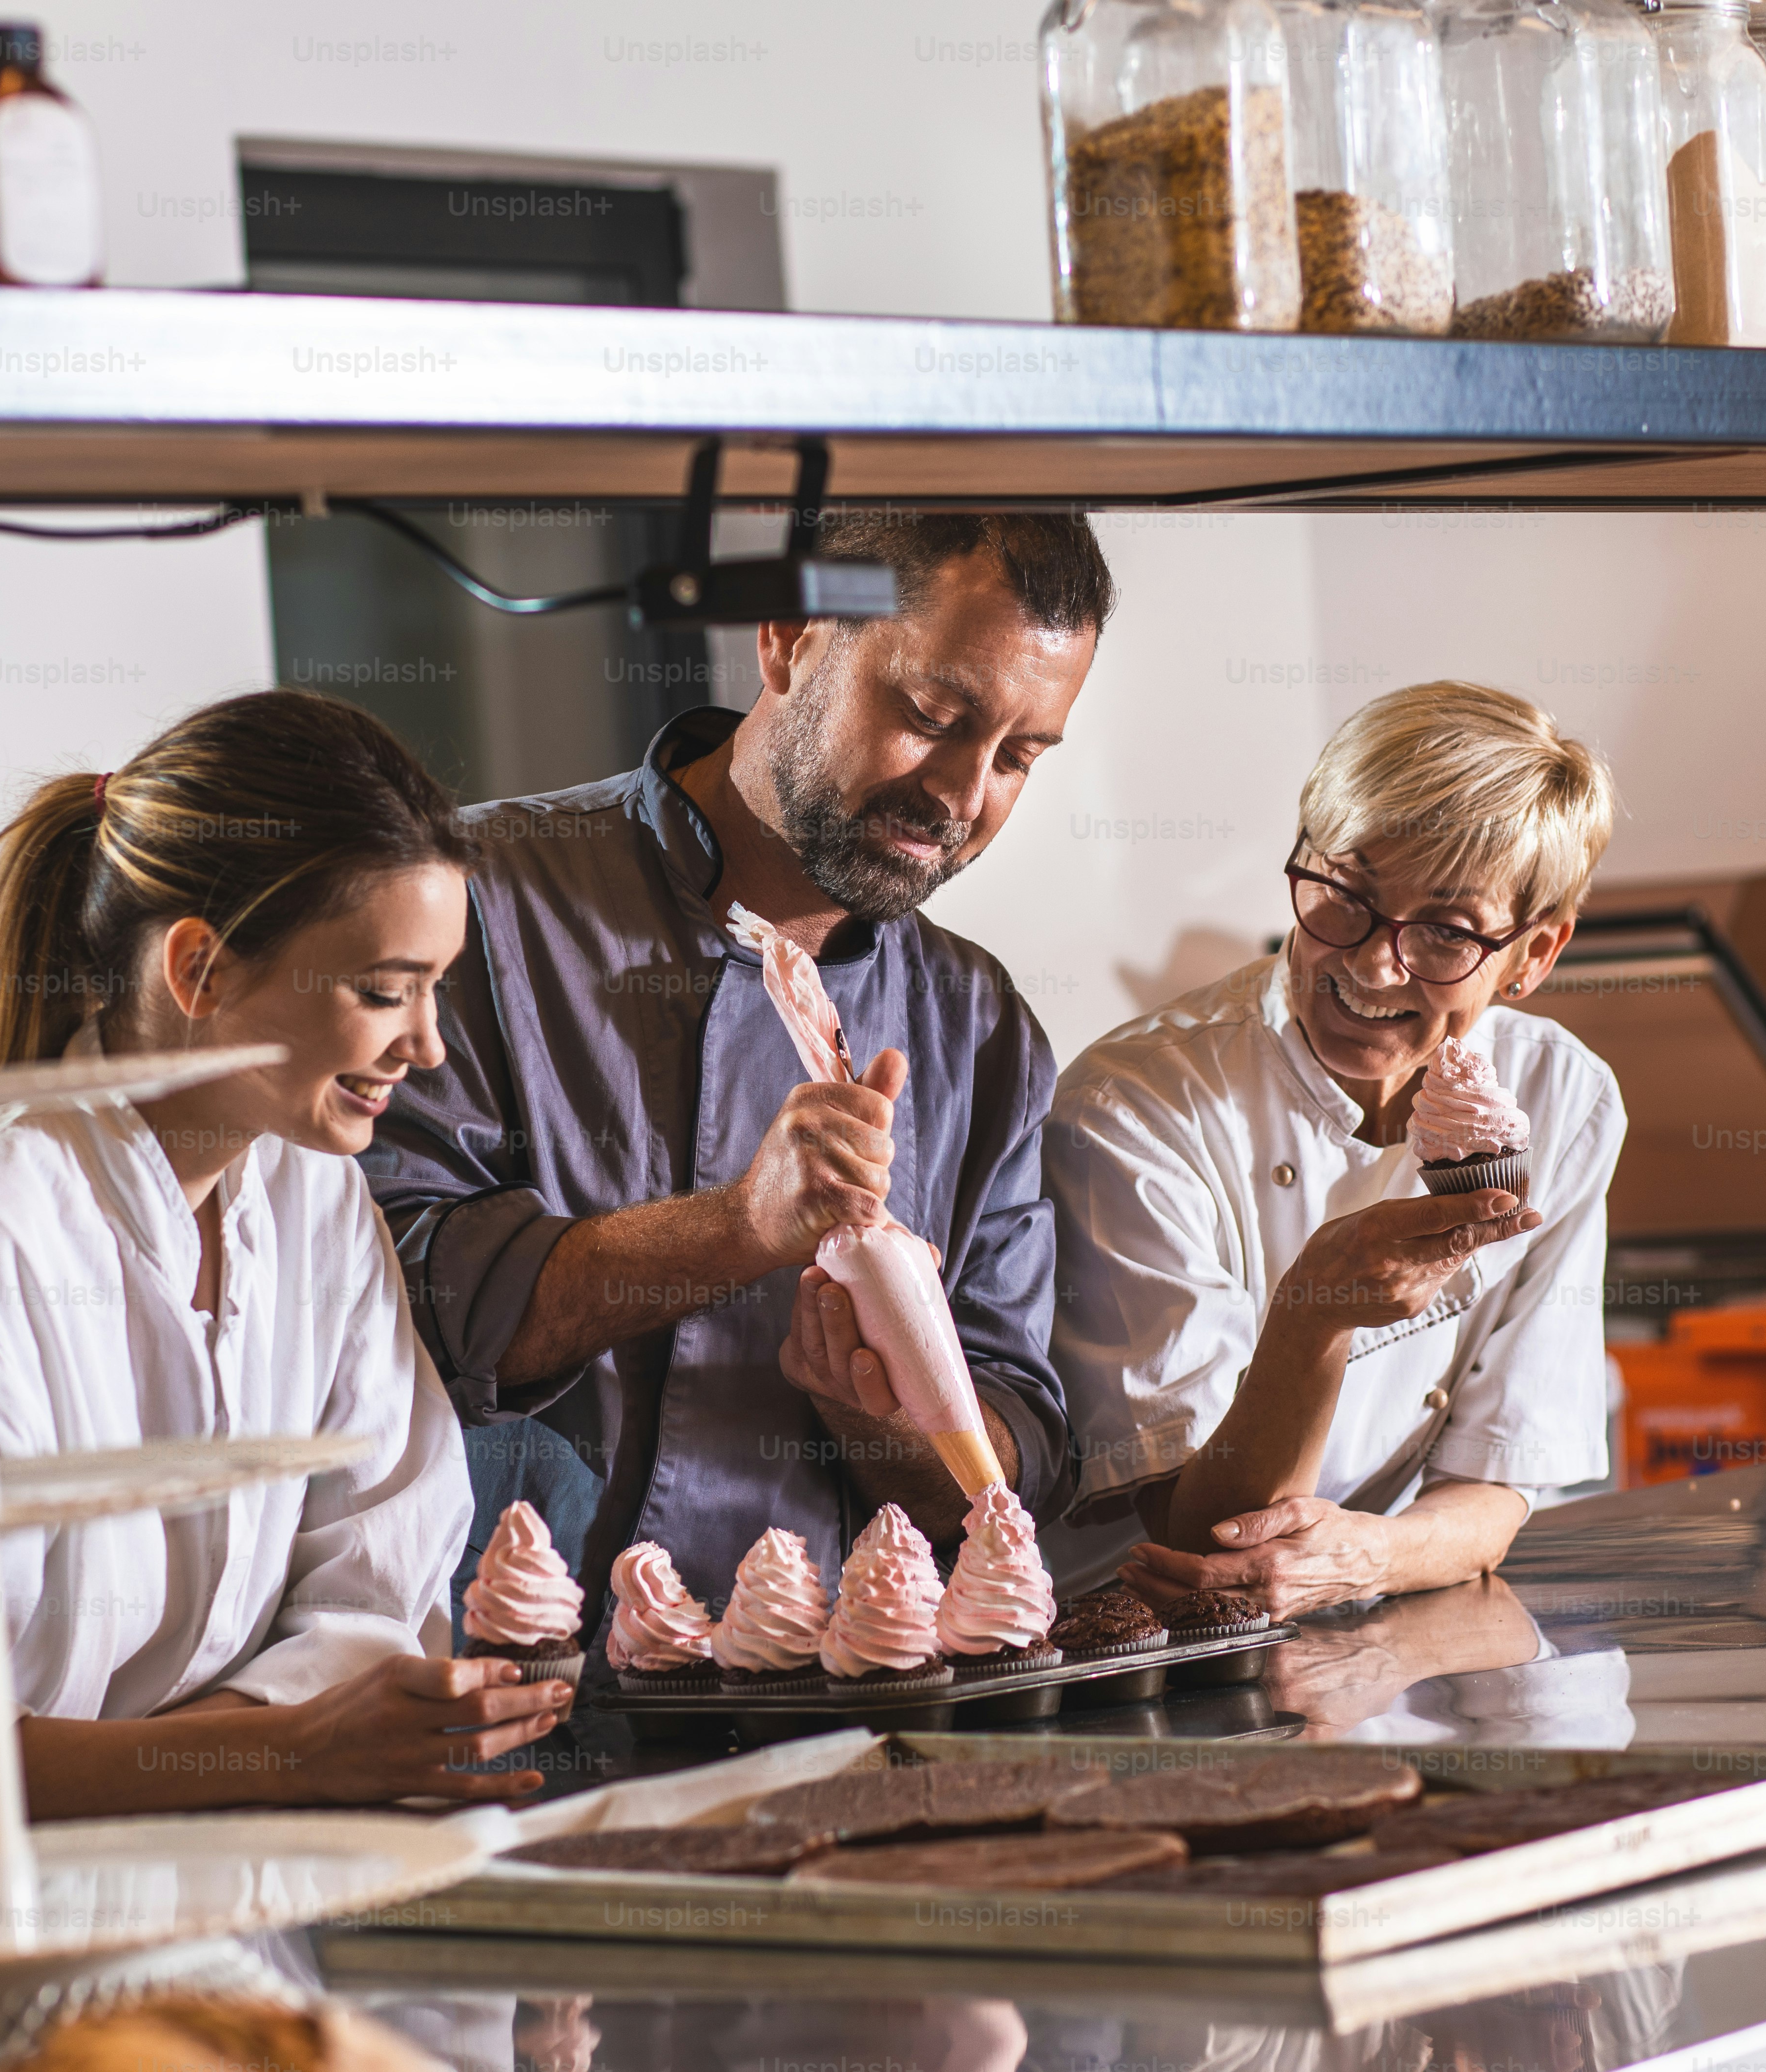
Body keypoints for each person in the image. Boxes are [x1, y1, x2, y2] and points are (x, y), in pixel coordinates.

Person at [0, 691, 566, 1846]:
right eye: (384, 990)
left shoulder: (314, 1202)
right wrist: (278, 1754)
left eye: (437, 986)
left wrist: (244, 1764)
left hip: (200, 1875)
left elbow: (378, 1577)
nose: (424, 1046)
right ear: (200, 969)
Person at [365, 513, 1113, 1607]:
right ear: (788, 639)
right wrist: (736, 1229)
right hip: (510, 1708)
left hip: (839, 1701)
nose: (960, 796)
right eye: (930, 716)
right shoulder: (474, 907)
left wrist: (883, 1415)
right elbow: (391, 1298)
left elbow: (1010, 1461)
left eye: (1015, 757)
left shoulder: (977, 1024)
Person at [1045, 681, 1626, 1618]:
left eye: (1446, 931)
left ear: (1535, 955)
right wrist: (1315, 1311)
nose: (1369, 965)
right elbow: (1203, 1534)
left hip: (1361, 1619)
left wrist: (1376, 1556)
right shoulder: (1138, 1107)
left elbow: (1503, 1477)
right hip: (1132, 1652)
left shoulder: (1562, 1101)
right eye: (1346, 895)